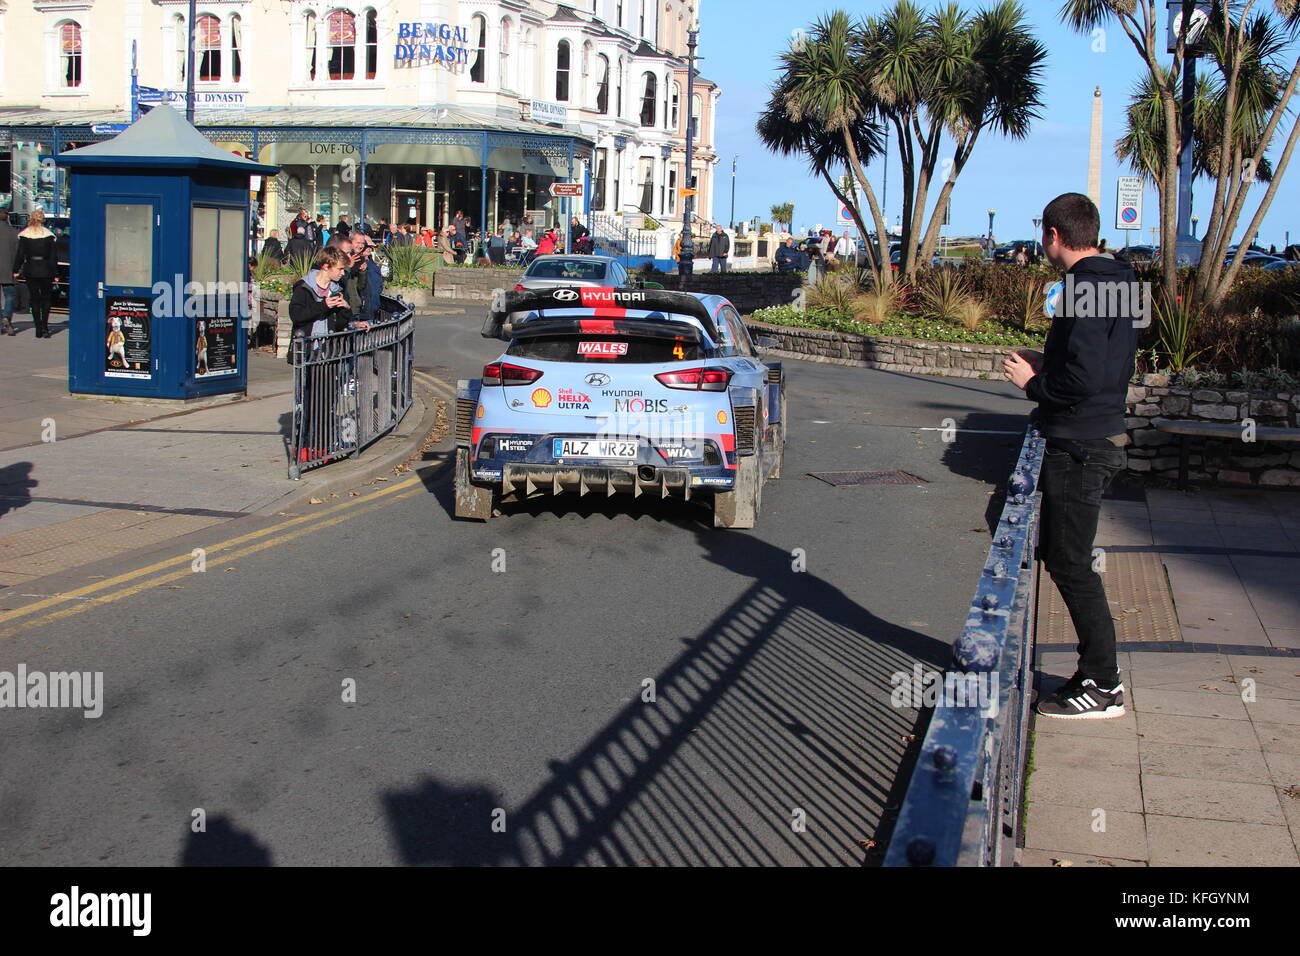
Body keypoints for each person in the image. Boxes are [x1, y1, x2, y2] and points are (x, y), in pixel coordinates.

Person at [1002, 192, 1136, 720]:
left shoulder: (1084, 287)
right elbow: (1107, 359)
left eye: (1043, 236)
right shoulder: (1121, 280)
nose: (1042, 245)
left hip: (1080, 443)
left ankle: (1104, 684)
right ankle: (1096, 675)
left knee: (1071, 562)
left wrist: (1035, 383)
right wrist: (1050, 359)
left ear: (1054, 235)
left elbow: (1086, 377)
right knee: (1068, 559)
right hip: (1097, 434)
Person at [15, 208, 57, 338]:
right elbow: (53, 256)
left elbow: (20, 254)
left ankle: (38, 328)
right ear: (43, 219)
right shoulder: (49, 235)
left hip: (31, 269)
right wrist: (55, 273)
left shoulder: (25, 235)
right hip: (46, 269)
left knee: (34, 299)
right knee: (46, 298)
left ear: (31, 219)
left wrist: (16, 270)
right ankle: (45, 326)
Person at [0, 208, 18, 336]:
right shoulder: (13, 232)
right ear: (7, 217)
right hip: (8, 269)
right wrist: (17, 270)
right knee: (10, 296)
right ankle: (6, 317)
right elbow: (18, 253)